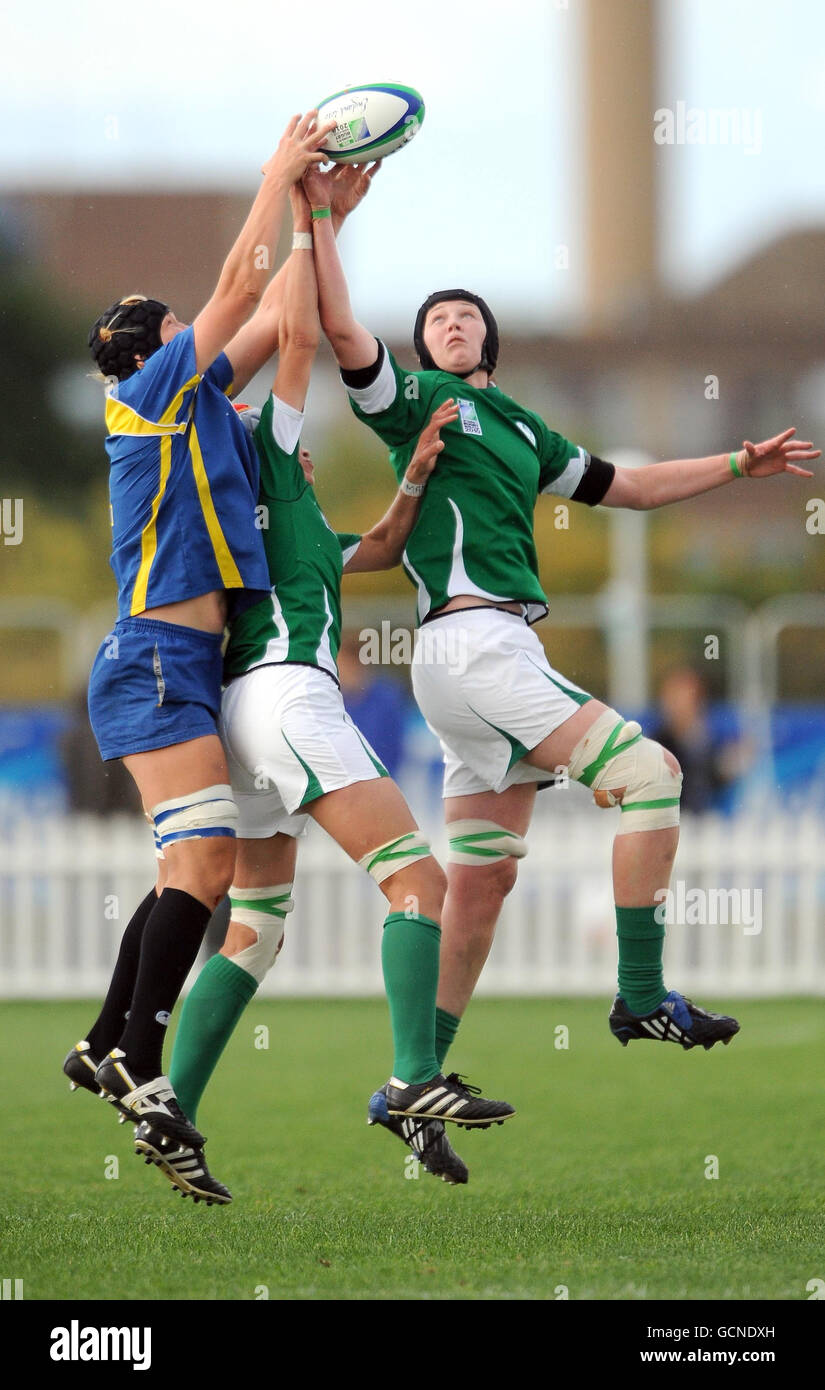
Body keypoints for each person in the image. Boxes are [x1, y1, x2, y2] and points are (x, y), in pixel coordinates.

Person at [307, 161, 819, 1075]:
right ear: (421, 351)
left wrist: (736, 467)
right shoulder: (419, 401)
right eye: (432, 320)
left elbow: (627, 485)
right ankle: (639, 995)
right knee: (654, 775)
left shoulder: (523, 428)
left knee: (482, 883)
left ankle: (413, 1083)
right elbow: (343, 331)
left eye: (463, 315)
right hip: (478, 646)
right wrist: (321, 219)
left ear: (489, 342)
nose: (449, 322)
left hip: (465, 668)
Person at [135, 181, 514, 1204]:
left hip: (242, 712)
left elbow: (380, 547)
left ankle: (172, 1103)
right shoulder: (260, 449)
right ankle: (410, 1078)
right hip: (290, 699)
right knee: (417, 883)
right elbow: (293, 330)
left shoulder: (284, 515)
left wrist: (416, 472)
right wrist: (317, 214)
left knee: (257, 926)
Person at [62, 114, 337, 1196]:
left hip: (176, 665)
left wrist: (324, 215)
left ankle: (104, 1042)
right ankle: (134, 1051)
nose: (198, 335)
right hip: (154, 661)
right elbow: (240, 282)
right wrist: (275, 176)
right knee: (209, 864)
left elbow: (277, 310)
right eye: (178, 329)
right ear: (145, 350)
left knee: (190, 866)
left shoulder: (193, 398)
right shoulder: (147, 394)